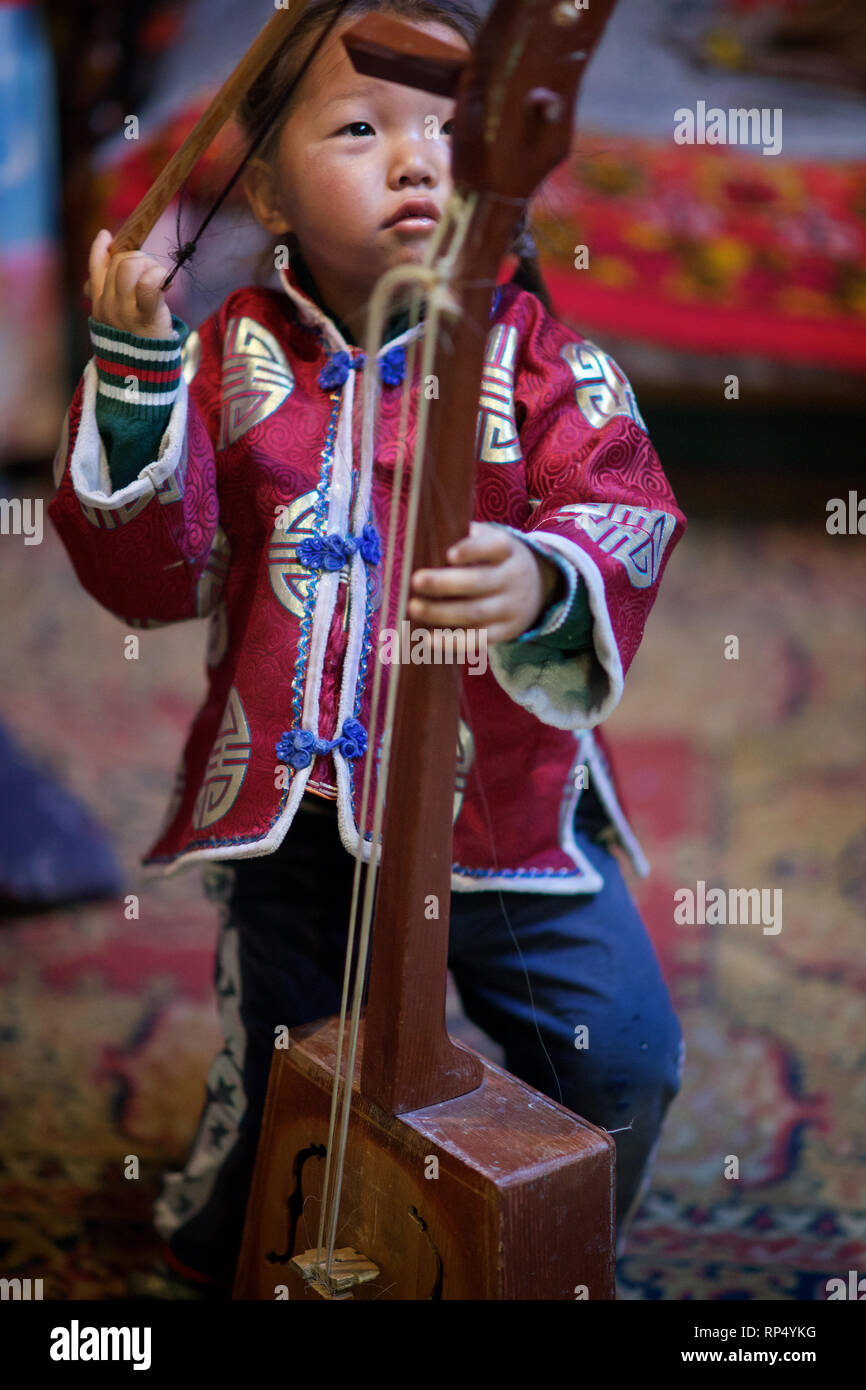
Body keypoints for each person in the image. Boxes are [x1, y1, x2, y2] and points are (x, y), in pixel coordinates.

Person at [49, 0, 687, 1299]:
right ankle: (221, 1251)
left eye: (451, 134)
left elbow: (624, 503)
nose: (414, 161)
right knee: (281, 1075)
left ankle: (552, 1249)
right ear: (268, 188)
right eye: (359, 128)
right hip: (298, 817)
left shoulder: (540, 359)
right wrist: (130, 374)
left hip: (496, 813)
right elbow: (151, 575)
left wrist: (541, 572)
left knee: (616, 1056)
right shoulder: (224, 355)